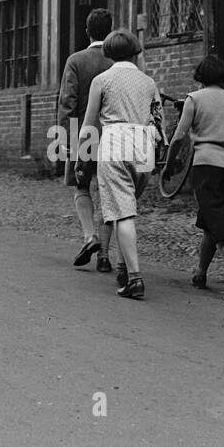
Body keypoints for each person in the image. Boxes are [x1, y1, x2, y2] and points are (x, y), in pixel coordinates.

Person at [80, 29, 161, 300]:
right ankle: (123, 268)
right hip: (144, 143)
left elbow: (88, 125)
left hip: (116, 140)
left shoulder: (102, 80)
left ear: (109, 52)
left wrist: (82, 156)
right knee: (128, 204)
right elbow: (158, 120)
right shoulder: (149, 82)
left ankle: (135, 277)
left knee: (122, 211)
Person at [170, 54, 224, 302]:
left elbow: (178, 136)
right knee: (212, 216)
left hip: (206, 164)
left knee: (216, 218)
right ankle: (200, 272)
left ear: (201, 77)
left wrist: (169, 166)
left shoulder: (194, 99)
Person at [57, 8, 115, 273]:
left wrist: (65, 139)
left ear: (87, 31)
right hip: (115, 135)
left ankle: (89, 235)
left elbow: (67, 102)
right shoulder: (119, 61)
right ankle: (104, 254)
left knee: (82, 186)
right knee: (109, 194)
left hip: (84, 133)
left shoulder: (76, 61)